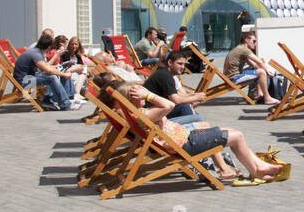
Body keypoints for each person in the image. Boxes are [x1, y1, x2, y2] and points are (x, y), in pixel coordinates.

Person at [98, 74, 286, 186]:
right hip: (186, 145)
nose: (141, 98)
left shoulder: (138, 113)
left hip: (186, 139)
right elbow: (168, 105)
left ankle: (258, 166)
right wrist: (148, 95)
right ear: (132, 99)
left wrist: (144, 96)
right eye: (137, 95)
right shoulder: (143, 115)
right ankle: (256, 170)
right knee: (237, 136)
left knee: (229, 130)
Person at [12, 32, 81, 111]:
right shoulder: (36, 54)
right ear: (48, 47)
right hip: (25, 82)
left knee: (55, 73)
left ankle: (49, 100)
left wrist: (60, 68)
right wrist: (64, 75)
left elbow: (46, 66)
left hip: (29, 77)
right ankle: (65, 104)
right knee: (51, 77)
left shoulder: (35, 51)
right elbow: (48, 69)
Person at [144, 48, 208, 123]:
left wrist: (193, 95)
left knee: (194, 114)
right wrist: (195, 98)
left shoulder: (165, 74)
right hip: (154, 116)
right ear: (170, 62)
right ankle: (191, 132)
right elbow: (176, 100)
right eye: (179, 64)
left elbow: (176, 96)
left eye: (184, 64)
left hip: (158, 112)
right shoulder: (165, 76)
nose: (183, 67)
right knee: (196, 116)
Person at [223, 31, 282, 105]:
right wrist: (267, 72)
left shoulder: (240, 48)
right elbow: (259, 62)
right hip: (234, 78)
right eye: (253, 41)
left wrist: (262, 68)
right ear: (246, 40)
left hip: (230, 77)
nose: (255, 44)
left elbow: (254, 65)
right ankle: (267, 98)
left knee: (257, 71)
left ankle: (259, 94)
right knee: (261, 72)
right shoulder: (244, 49)